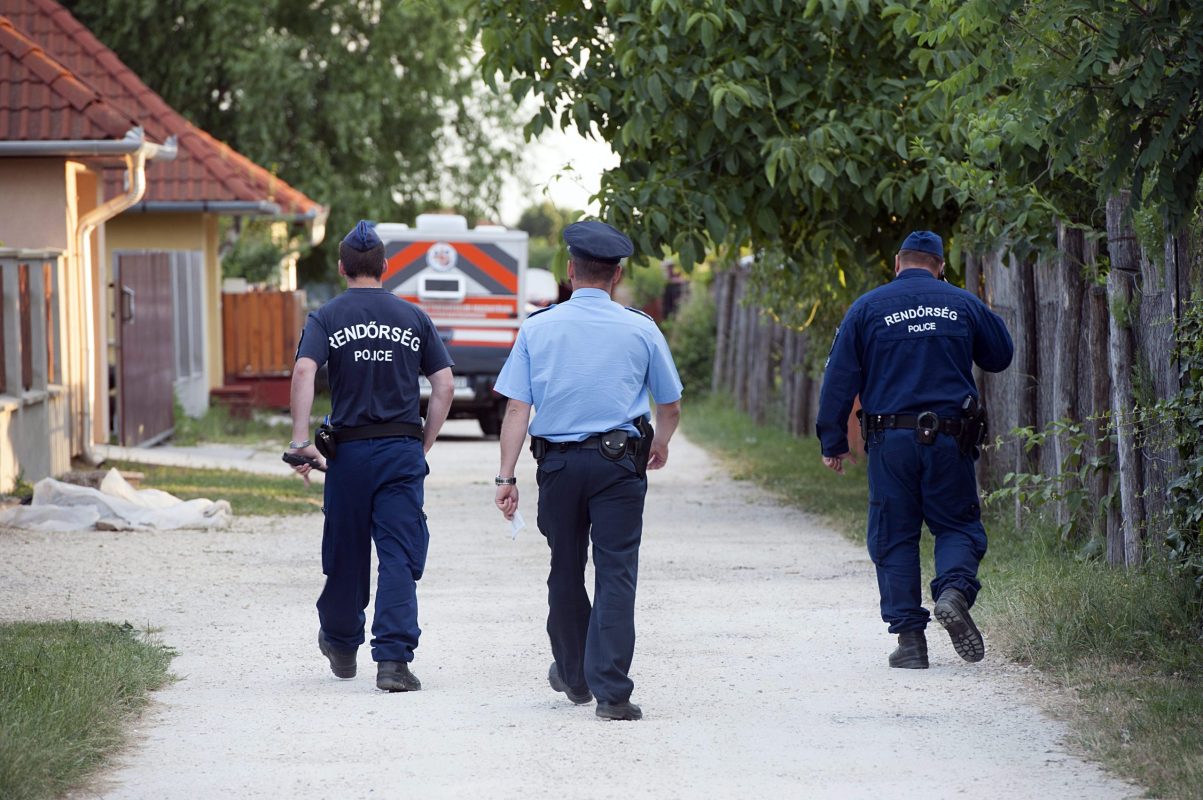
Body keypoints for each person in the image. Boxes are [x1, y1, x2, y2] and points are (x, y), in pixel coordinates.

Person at [492, 220, 683, 721]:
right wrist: (659, 444)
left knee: (565, 566)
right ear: (617, 274)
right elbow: (671, 404)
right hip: (620, 465)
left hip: (557, 466)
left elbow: (517, 410)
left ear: (571, 271)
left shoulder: (537, 327)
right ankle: (613, 694)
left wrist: (506, 477)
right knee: (616, 571)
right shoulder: (642, 327)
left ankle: (575, 677)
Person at [815, 231, 1013, 669]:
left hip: (891, 441)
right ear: (940, 265)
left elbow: (839, 380)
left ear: (897, 263)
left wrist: (833, 441)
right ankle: (953, 593)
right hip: (950, 439)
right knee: (957, 525)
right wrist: (972, 305)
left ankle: (911, 644)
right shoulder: (960, 303)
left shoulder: (867, 308)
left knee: (894, 536)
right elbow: (1000, 354)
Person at [288, 220, 455, 692]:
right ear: (385, 266)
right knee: (399, 553)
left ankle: (341, 644)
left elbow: (304, 370)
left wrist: (301, 441)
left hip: (350, 454)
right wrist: (423, 442)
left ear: (342, 267)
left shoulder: (326, 316)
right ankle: (393, 663)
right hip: (401, 449)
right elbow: (443, 384)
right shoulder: (413, 316)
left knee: (345, 550)